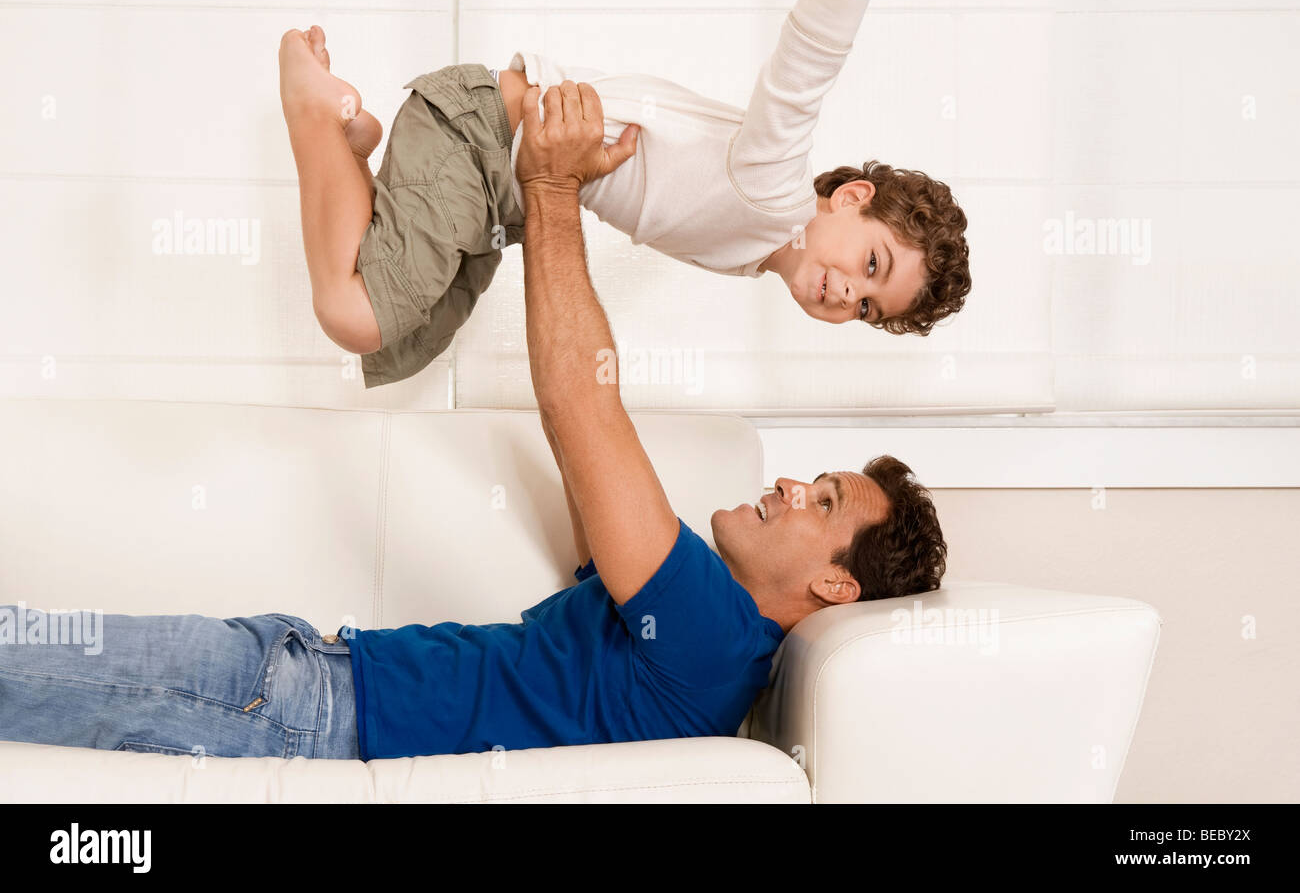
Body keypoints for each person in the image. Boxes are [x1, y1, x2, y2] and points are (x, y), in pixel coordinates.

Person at [0, 74, 947, 762]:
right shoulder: (686, 622)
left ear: (833, 588)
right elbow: (588, 456)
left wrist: (550, 186)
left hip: (301, 705)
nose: (788, 485)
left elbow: (579, 399)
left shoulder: (715, 637)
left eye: (822, 501)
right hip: (306, 680)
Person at [277, 0, 971, 387]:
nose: (851, 295)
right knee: (356, 314)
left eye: (870, 310)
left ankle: (351, 152)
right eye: (871, 265)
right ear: (851, 197)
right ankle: (313, 107)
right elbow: (811, 56)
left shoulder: (758, 251)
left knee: (405, 347)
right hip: (478, 137)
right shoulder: (774, 192)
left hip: (502, 197)